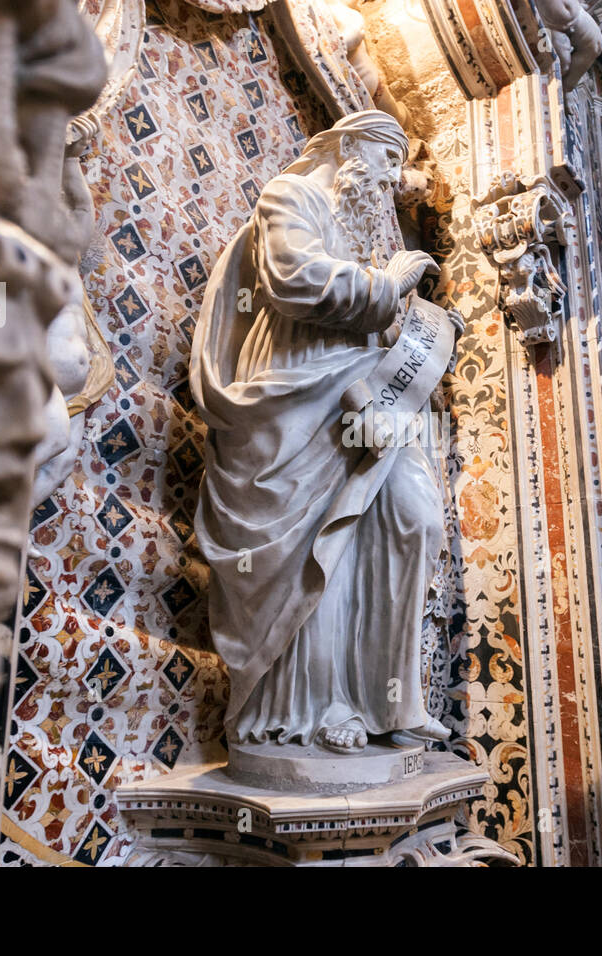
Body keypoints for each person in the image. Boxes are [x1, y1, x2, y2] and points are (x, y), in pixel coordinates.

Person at [191, 111, 454, 754]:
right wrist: (388, 284)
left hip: (360, 404)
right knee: (323, 552)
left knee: (415, 520)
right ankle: (307, 710)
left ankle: (391, 701)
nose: (393, 180)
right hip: (294, 397)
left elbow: (375, 320)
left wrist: (413, 324)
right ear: (347, 146)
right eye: (387, 160)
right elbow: (291, 280)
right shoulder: (292, 194)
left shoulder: (363, 232)